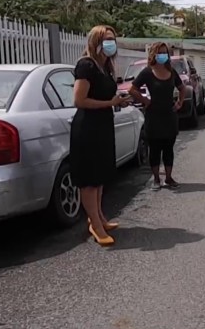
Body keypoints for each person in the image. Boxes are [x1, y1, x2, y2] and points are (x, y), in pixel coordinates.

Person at [70, 25, 130, 247]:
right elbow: (79, 100)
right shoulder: (86, 65)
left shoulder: (106, 66)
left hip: (103, 125)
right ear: (96, 42)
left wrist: (117, 101)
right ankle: (94, 224)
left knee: (100, 175)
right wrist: (110, 103)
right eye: (106, 39)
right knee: (89, 179)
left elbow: (106, 95)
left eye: (113, 39)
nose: (111, 43)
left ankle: (100, 217)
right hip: (88, 127)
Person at [129, 42, 187, 190]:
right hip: (153, 117)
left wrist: (180, 102)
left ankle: (168, 177)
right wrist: (144, 101)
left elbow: (182, 88)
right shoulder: (148, 72)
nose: (163, 55)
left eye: (165, 52)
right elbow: (132, 89)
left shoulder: (171, 72)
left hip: (169, 115)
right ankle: (156, 179)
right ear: (154, 54)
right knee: (154, 150)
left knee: (168, 148)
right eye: (160, 52)